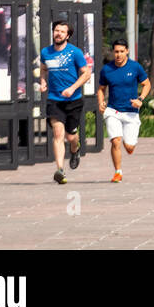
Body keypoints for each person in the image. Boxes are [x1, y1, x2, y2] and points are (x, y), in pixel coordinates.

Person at [40, 20, 92, 184]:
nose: (58, 34)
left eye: (62, 31)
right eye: (56, 30)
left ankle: (75, 150)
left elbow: (86, 74)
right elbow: (43, 68)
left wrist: (72, 87)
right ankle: (60, 170)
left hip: (73, 100)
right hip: (54, 100)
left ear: (68, 35)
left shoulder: (75, 52)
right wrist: (43, 81)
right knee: (58, 134)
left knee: (71, 137)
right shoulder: (46, 52)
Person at [97, 39, 150, 183]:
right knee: (115, 141)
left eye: (121, 51)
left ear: (127, 51)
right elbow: (101, 89)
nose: (118, 54)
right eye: (116, 52)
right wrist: (101, 102)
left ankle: (130, 146)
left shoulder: (135, 67)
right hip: (113, 111)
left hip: (131, 112)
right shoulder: (107, 69)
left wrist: (140, 99)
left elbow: (146, 84)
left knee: (129, 147)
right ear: (113, 52)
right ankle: (118, 172)